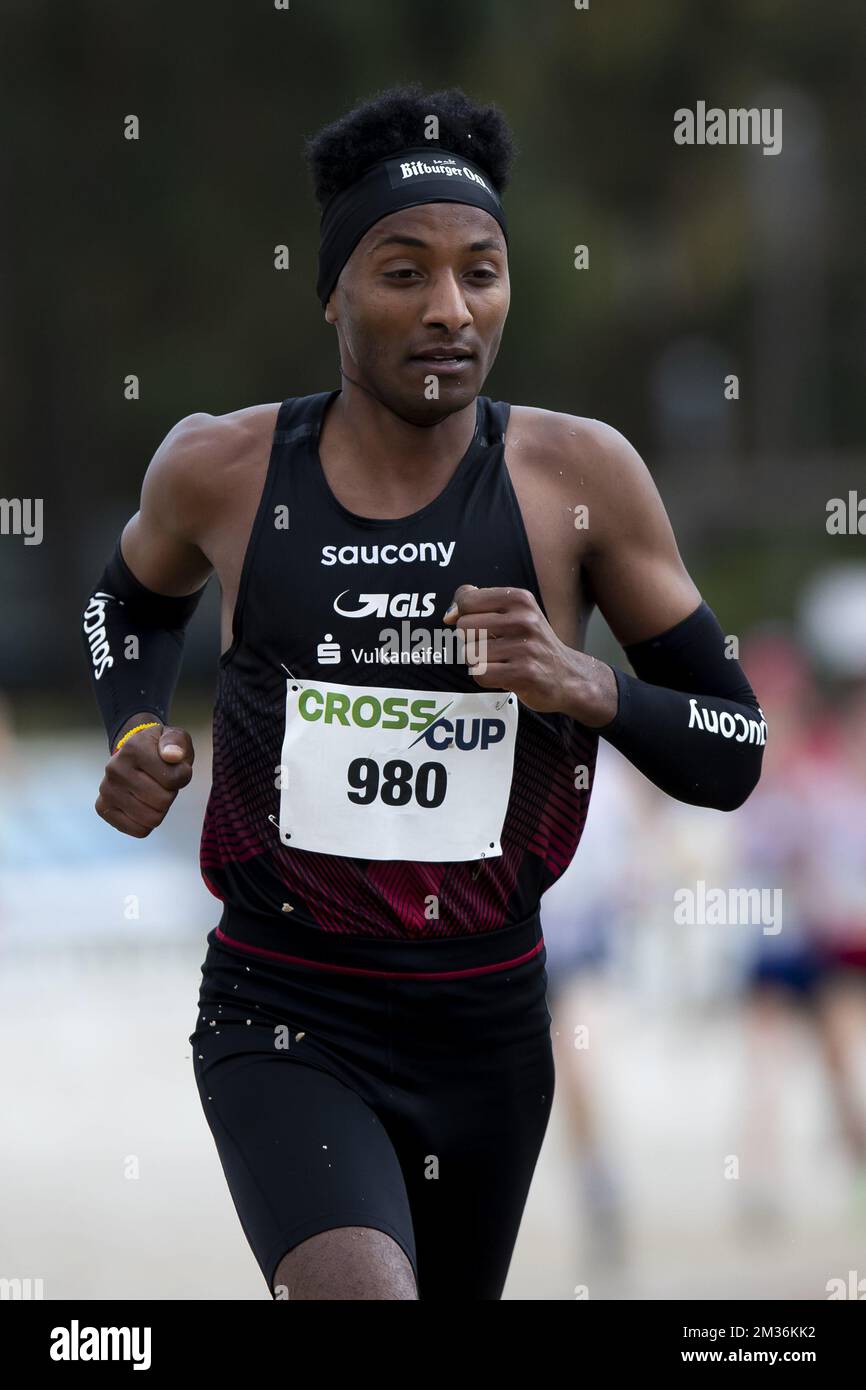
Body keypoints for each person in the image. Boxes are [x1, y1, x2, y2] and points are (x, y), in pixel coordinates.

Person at [81, 84, 765, 1300]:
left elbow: (731, 748)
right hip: (281, 1006)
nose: (449, 309)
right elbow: (125, 602)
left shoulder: (578, 475)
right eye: (403, 272)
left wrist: (583, 683)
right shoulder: (221, 468)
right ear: (332, 290)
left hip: (487, 1023)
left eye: (481, 272)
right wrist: (135, 725)